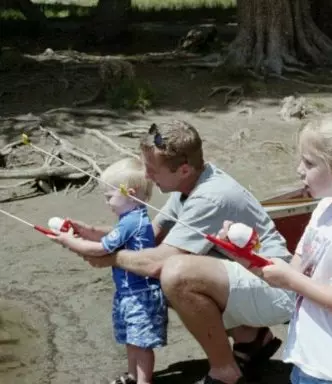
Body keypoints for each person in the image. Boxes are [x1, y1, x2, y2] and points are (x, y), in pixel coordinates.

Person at [63, 120, 296, 384]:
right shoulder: (189, 186)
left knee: (175, 273)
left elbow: (156, 262)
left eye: (152, 171)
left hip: (276, 289)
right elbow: (148, 238)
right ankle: (250, 338)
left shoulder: (209, 197)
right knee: (161, 269)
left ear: (183, 169)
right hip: (251, 279)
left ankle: (225, 372)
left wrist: (108, 258)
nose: (147, 177)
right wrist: (94, 234)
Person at [220, 110, 332, 384]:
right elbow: (292, 273)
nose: (299, 169)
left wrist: (292, 280)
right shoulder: (326, 207)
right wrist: (246, 255)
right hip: (309, 360)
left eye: (309, 163)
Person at [52, 157, 168, 384]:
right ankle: (133, 376)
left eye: (110, 197)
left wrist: (68, 241)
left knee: (141, 342)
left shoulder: (131, 222)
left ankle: (145, 381)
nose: (107, 203)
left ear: (130, 193)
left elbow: (100, 249)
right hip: (128, 293)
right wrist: (82, 231)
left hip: (140, 293)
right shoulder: (131, 219)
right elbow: (106, 237)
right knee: (131, 339)